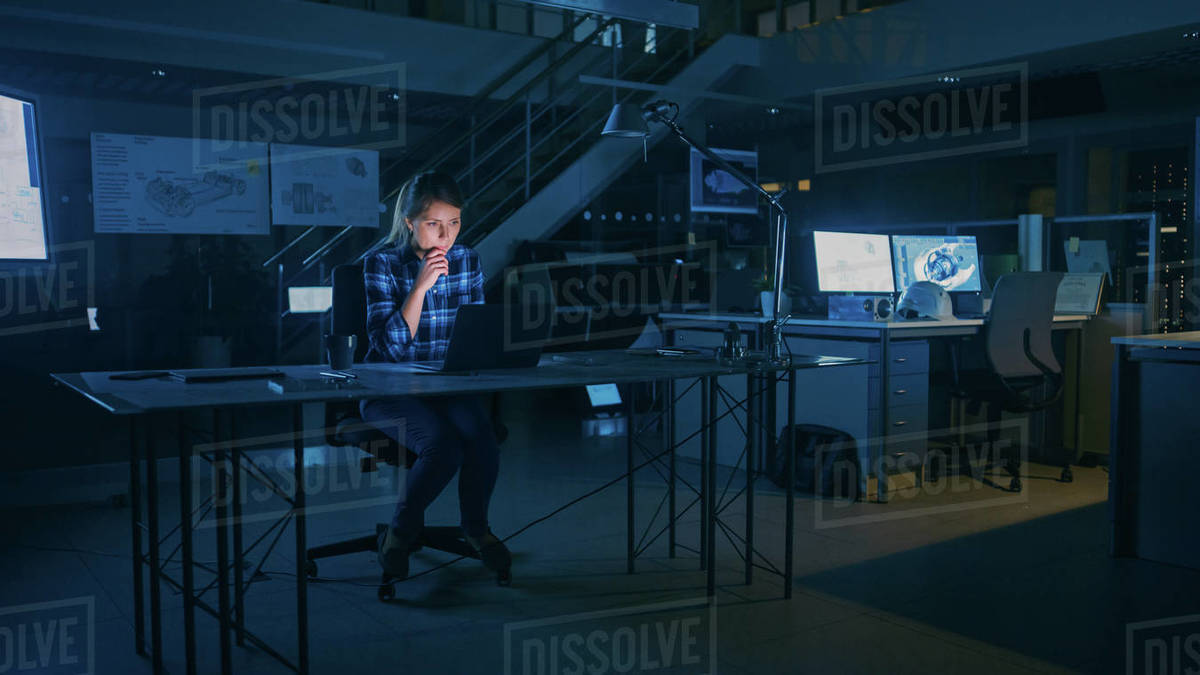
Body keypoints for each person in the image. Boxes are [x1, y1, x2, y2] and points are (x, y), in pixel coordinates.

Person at [360, 170, 509, 580]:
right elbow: (386, 351)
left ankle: (476, 529)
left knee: (481, 437)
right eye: (433, 224)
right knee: (443, 445)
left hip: (446, 385)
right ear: (409, 223)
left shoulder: (468, 261)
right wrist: (419, 289)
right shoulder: (381, 263)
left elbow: (475, 336)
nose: (446, 236)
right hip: (388, 387)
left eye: (454, 223)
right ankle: (399, 533)